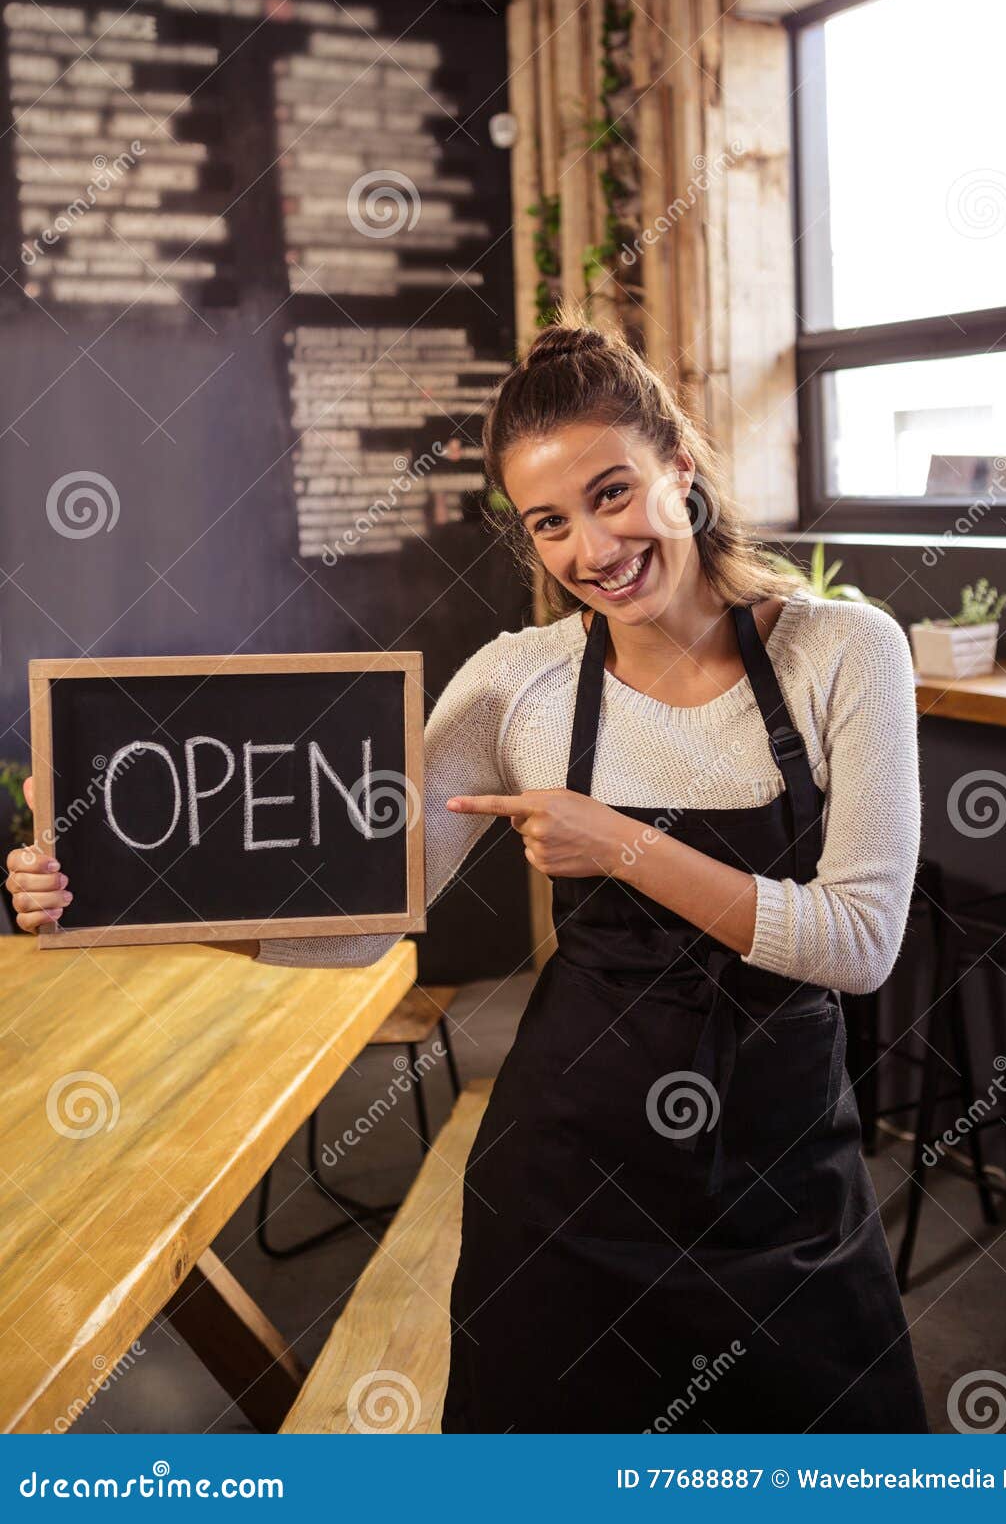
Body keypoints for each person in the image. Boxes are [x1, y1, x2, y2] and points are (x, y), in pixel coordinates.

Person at [7, 306, 929, 1433]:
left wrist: (621, 845)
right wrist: (122, 887)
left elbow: (857, 942)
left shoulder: (842, 651)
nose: (591, 549)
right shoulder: (512, 683)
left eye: (611, 492)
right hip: (565, 1182)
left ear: (678, 470)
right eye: (548, 523)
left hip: (782, 1181)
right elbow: (363, 919)